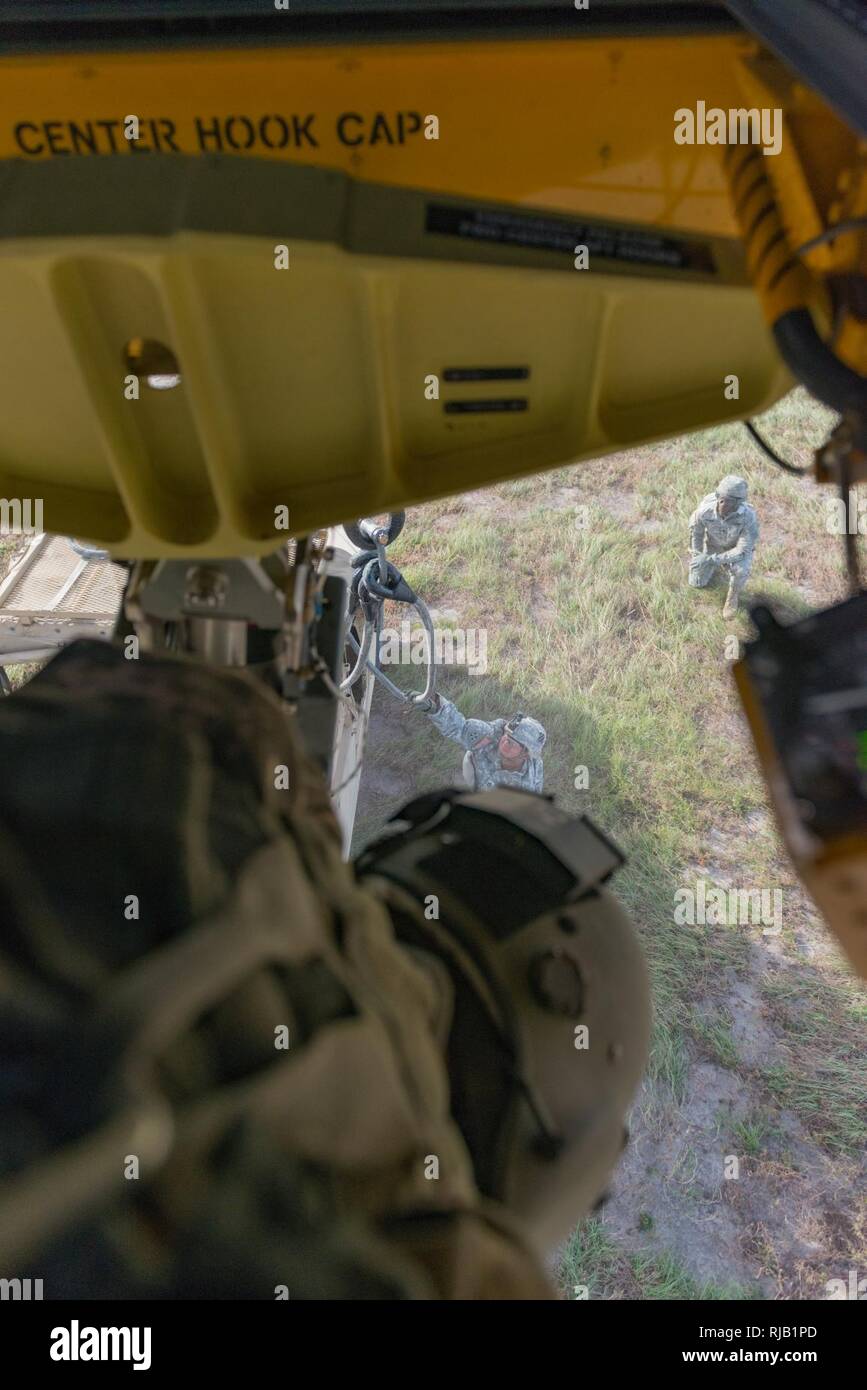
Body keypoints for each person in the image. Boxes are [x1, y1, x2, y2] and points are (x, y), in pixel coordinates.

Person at [415, 691, 546, 792]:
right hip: (474, 771)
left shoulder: (525, 786)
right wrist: (435, 706)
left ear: (525, 754)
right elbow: (461, 728)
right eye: (507, 735)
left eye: (512, 743)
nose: (504, 741)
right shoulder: (492, 735)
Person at [688, 474, 759, 619]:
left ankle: (732, 597)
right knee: (696, 583)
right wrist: (698, 555)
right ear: (717, 496)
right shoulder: (703, 511)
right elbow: (696, 533)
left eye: (731, 501)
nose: (724, 504)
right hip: (713, 545)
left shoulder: (748, 517)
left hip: (735, 550)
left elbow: (742, 550)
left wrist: (711, 560)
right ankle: (712, 568)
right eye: (722, 499)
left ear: (739, 502)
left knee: (740, 570)